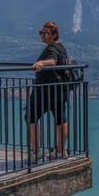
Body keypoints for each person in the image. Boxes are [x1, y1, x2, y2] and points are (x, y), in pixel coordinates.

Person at [27, 21, 72, 160]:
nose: (43, 36)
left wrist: (41, 62)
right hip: (58, 90)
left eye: (46, 33)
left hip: (44, 91)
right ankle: (60, 151)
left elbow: (52, 61)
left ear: (54, 35)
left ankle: (35, 153)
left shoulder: (51, 49)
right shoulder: (61, 48)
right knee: (60, 119)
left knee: (31, 117)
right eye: (42, 33)